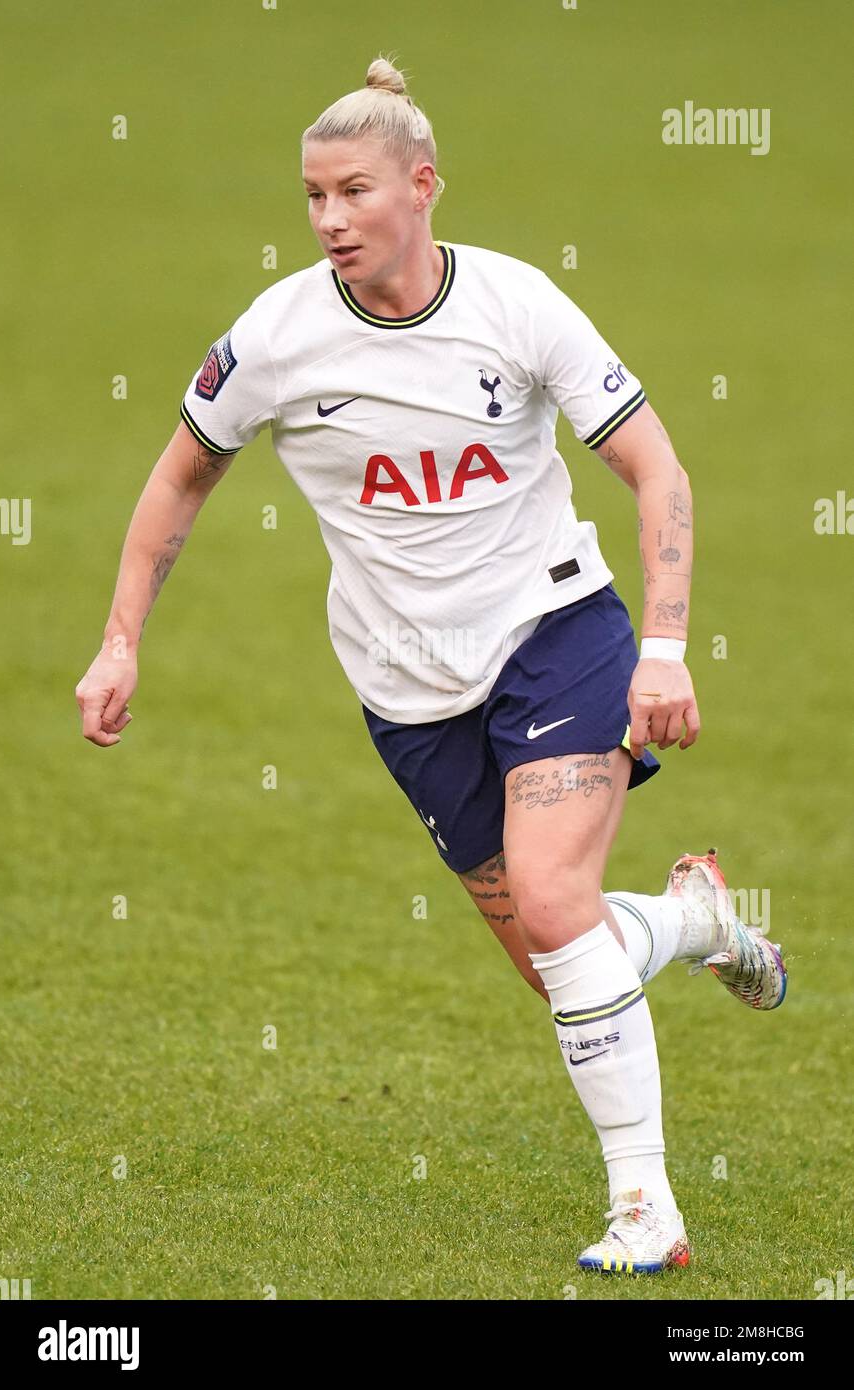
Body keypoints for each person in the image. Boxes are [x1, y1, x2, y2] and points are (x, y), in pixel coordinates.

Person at [75, 54, 787, 1277]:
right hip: (402, 685)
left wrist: (660, 651)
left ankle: (646, 1211)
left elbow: (655, 469)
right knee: (560, 970)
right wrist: (120, 635)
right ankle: (696, 921)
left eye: (352, 191)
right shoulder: (278, 336)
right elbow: (179, 473)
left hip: (554, 632)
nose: (328, 220)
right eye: (311, 197)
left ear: (422, 186)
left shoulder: (514, 306)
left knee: (559, 911)